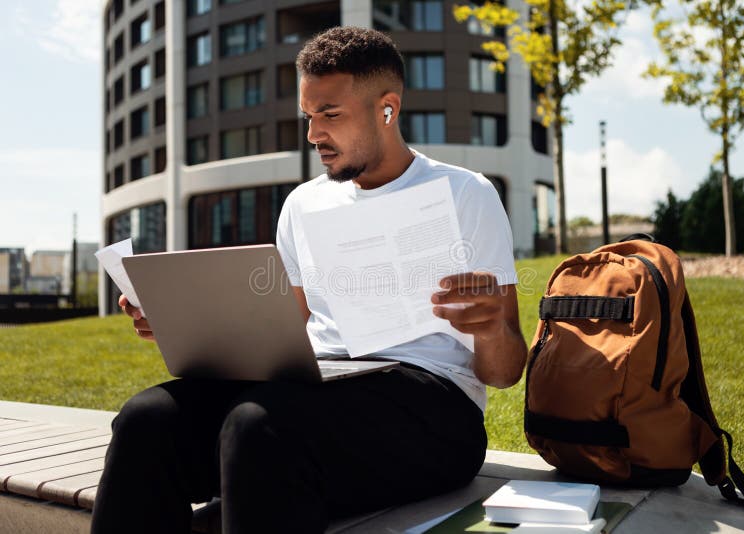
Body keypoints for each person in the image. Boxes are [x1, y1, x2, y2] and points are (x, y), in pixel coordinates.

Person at [91, 26, 528, 534]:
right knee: (146, 419)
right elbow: (282, 333)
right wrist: (181, 323)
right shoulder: (304, 203)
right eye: (308, 116)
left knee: (260, 424)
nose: (313, 134)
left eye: (330, 115)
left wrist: (494, 328)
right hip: (321, 386)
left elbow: (504, 373)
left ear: (387, 109)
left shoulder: (465, 193)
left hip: (434, 408)